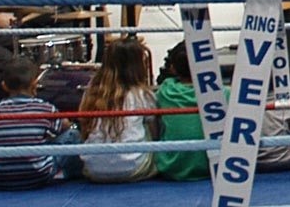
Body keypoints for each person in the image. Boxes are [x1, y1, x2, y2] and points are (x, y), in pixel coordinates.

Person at [0, 58, 79, 190]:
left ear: (4, 86)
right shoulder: (45, 108)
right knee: (73, 134)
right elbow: (65, 126)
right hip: (38, 176)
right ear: (35, 84)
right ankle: (75, 176)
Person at [77, 36, 160, 183]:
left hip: (94, 170)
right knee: (149, 124)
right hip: (134, 168)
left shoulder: (92, 91)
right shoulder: (142, 95)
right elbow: (155, 133)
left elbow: (84, 127)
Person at [154, 43, 210, 182]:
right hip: (212, 165)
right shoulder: (219, 93)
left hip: (171, 166)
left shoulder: (165, 90)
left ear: (172, 68)